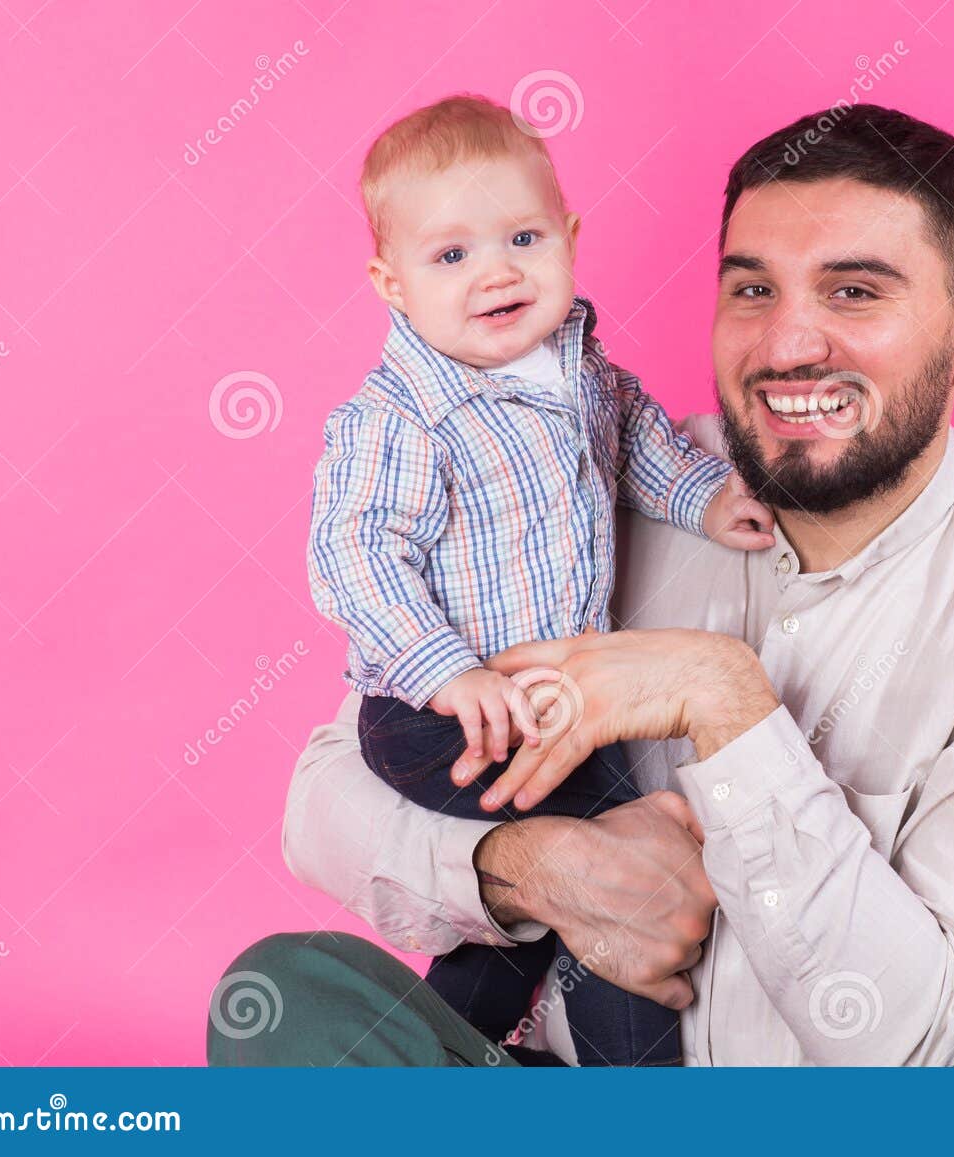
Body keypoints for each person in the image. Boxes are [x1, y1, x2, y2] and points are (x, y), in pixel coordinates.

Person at [211, 103, 954, 1068]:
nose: (788, 343)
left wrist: (727, 702)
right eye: (752, 289)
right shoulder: (586, 483)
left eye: (854, 290)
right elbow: (325, 796)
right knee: (282, 992)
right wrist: (530, 866)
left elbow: (920, 1037)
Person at [304, 95, 772, 1067]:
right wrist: (448, 671)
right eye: (451, 256)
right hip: (441, 713)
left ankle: (458, 1051)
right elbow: (353, 557)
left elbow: (635, 435)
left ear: (568, 237)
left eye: (522, 236)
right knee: (622, 887)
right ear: (391, 283)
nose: (497, 271)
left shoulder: (579, 367)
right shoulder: (402, 417)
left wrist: (702, 499)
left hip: (550, 705)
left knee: (556, 904)